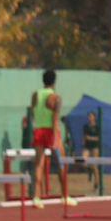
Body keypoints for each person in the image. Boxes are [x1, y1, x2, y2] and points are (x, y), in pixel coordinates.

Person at [28, 69, 74, 208]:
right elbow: (55, 118)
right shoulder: (56, 97)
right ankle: (65, 196)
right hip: (51, 131)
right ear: (54, 81)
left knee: (39, 164)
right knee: (61, 163)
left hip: (38, 130)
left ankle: (36, 197)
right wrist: (56, 138)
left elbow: (33, 111)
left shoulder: (35, 94)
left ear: (43, 81)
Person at [80, 110, 101, 192]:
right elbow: (84, 137)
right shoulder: (86, 126)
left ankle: (96, 184)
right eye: (89, 116)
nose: (90, 118)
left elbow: (98, 138)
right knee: (83, 161)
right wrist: (84, 141)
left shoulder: (97, 127)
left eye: (91, 116)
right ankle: (89, 170)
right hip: (87, 147)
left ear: (94, 118)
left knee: (95, 166)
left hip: (95, 147)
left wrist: (90, 138)